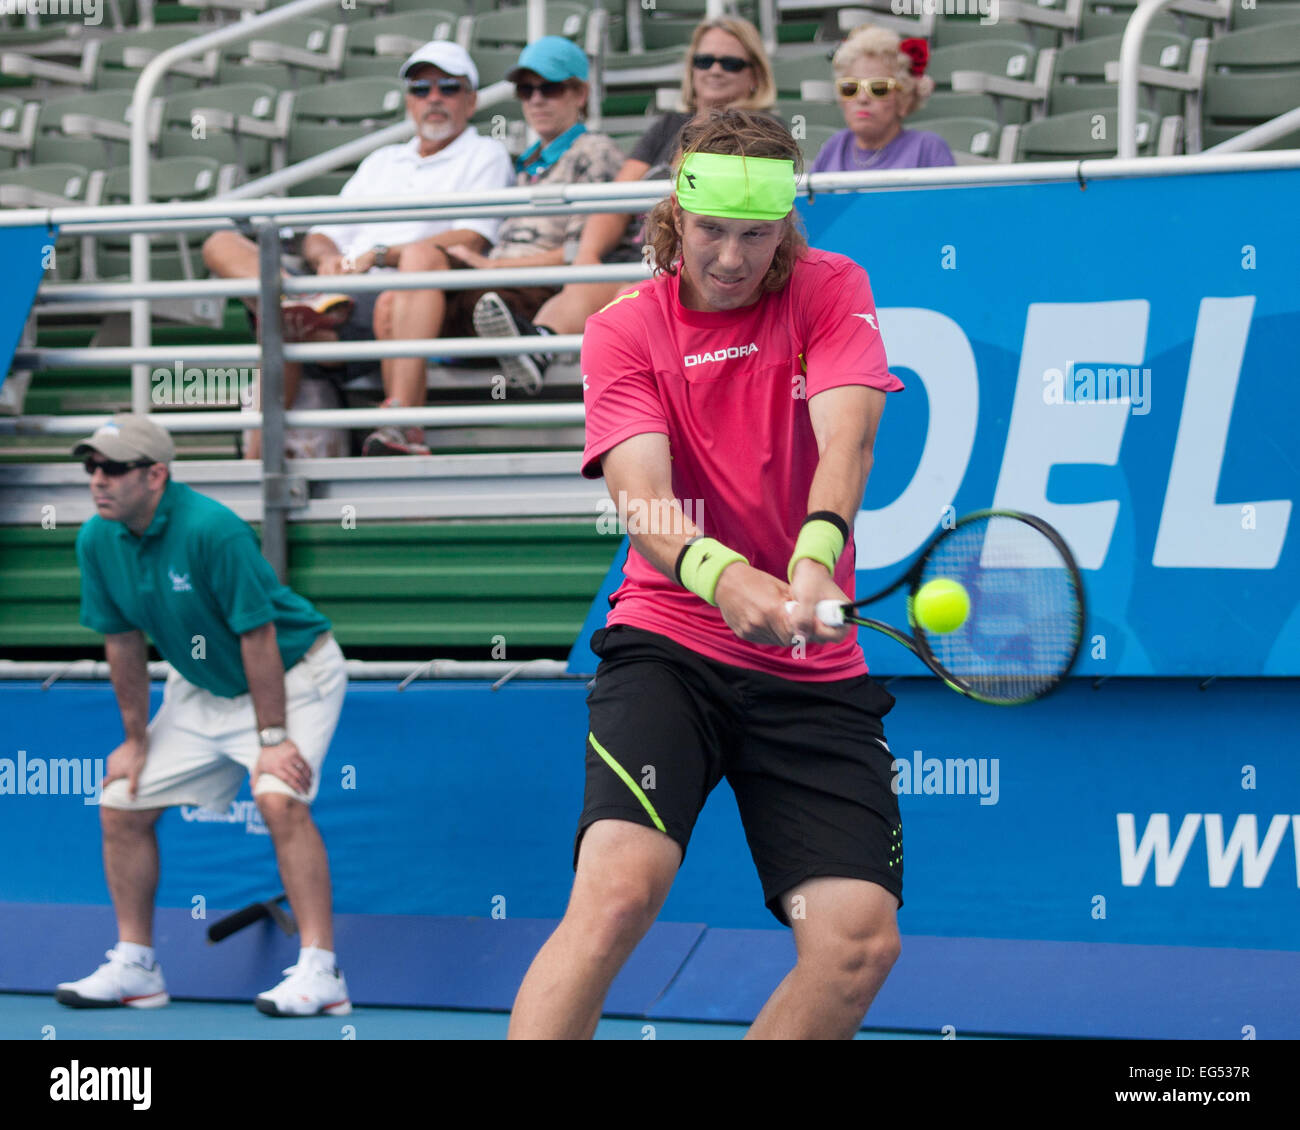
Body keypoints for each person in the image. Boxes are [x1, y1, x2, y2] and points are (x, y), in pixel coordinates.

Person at [509, 110, 906, 1040]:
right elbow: (641, 498)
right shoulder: (624, 329)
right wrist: (724, 575)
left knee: (857, 943)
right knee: (615, 898)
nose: (731, 256)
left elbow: (847, 436)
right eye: (712, 230)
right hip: (671, 645)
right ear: (676, 214)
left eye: (755, 233)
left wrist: (813, 555)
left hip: (814, 670)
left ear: (785, 227)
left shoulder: (828, 287)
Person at [56, 414, 351, 1017]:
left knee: (278, 797)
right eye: (91, 467)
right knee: (120, 801)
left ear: (156, 475)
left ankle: (323, 973)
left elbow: (259, 635)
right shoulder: (96, 538)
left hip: (295, 674)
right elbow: (122, 642)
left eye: (112, 468)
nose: (97, 480)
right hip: (202, 687)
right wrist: (134, 740)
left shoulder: (212, 530)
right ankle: (137, 965)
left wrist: (271, 738)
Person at [203, 41, 514, 457]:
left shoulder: (485, 153)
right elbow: (320, 233)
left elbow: (472, 240)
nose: (433, 98)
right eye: (421, 88)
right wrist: (325, 257)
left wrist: (382, 254)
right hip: (338, 288)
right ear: (408, 101)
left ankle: (299, 323)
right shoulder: (383, 160)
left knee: (282, 327)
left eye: (448, 88)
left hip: (402, 297)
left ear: (471, 100)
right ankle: (298, 302)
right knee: (221, 242)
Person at [474, 17, 776, 391]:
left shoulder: (761, 133)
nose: (714, 70)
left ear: (754, 75)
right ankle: (538, 347)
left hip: (710, 258)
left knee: (628, 299)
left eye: (730, 63)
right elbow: (616, 198)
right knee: (583, 289)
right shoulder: (669, 127)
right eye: (704, 61)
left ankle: (635, 395)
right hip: (644, 256)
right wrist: (586, 257)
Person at [423, 36, 633, 394]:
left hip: (538, 287)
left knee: (449, 306)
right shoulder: (527, 161)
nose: (535, 99)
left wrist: (490, 267)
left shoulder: (596, 151)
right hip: (501, 280)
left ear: (579, 94)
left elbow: (578, 256)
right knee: (412, 282)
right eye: (525, 89)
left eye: (549, 88)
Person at [810, 25, 955, 173]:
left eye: (879, 88)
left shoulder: (927, 149)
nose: (862, 99)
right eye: (851, 88)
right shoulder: (834, 146)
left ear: (904, 98)